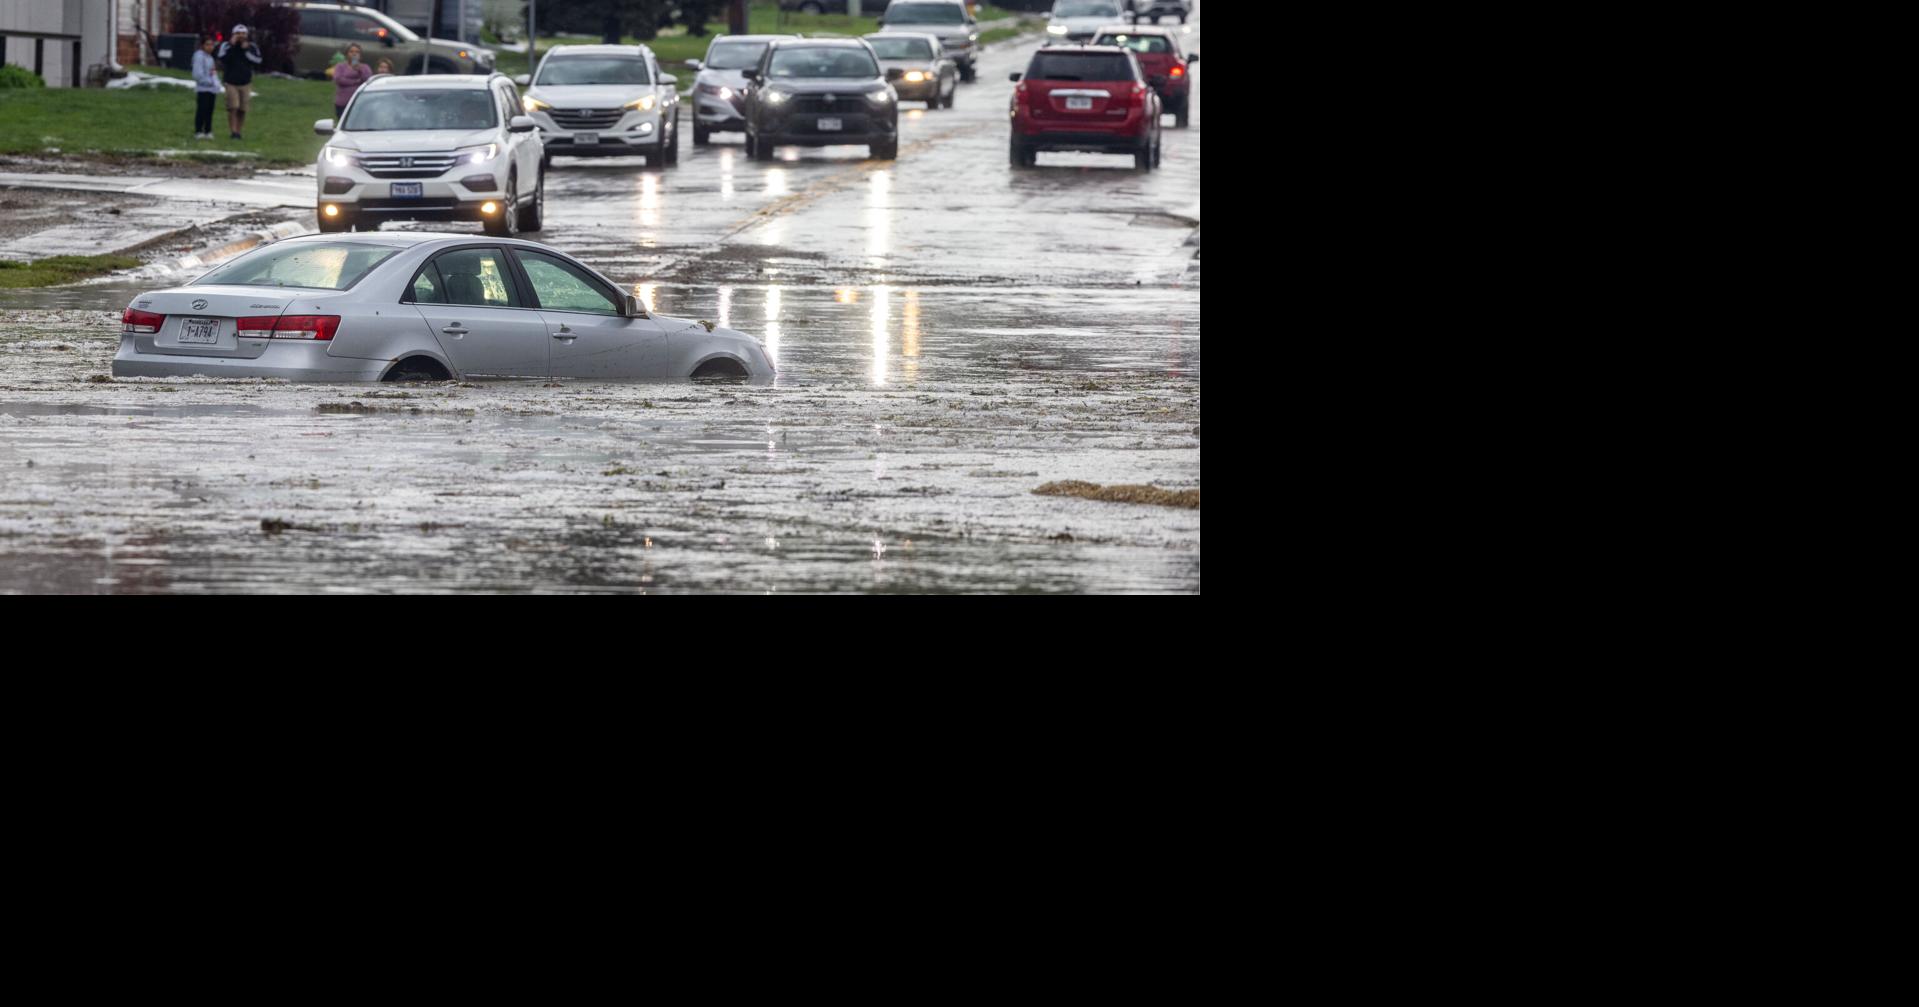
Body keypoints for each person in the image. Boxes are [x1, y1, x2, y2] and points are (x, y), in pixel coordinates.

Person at [215, 24, 263, 140]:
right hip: (231, 81)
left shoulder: (251, 47)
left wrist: (246, 50)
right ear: (233, 34)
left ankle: (239, 131)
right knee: (233, 107)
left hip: (245, 82)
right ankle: (233, 131)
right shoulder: (226, 45)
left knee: (243, 109)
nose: (241, 36)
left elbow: (258, 61)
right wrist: (232, 46)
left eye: (243, 34)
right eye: (238, 33)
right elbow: (222, 58)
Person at [332, 43, 372, 121]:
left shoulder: (365, 67)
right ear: (347, 54)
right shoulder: (340, 67)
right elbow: (339, 80)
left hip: (360, 103)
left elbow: (367, 80)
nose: (354, 54)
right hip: (343, 103)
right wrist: (356, 81)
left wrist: (359, 70)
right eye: (351, 51)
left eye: (357, 52)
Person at [190, 35, 219, 140]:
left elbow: (213, 72)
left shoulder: (210, 58)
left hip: (211, 88)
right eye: (208, 44)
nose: (210, 47)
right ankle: (198, 131)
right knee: (202, 109)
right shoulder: (199, 56)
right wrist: (208, 82)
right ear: (202, 45)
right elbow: (197, 74)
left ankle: (208, 130)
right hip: (203, 88)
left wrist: (216, 83)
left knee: (210, 110)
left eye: (212, 45)